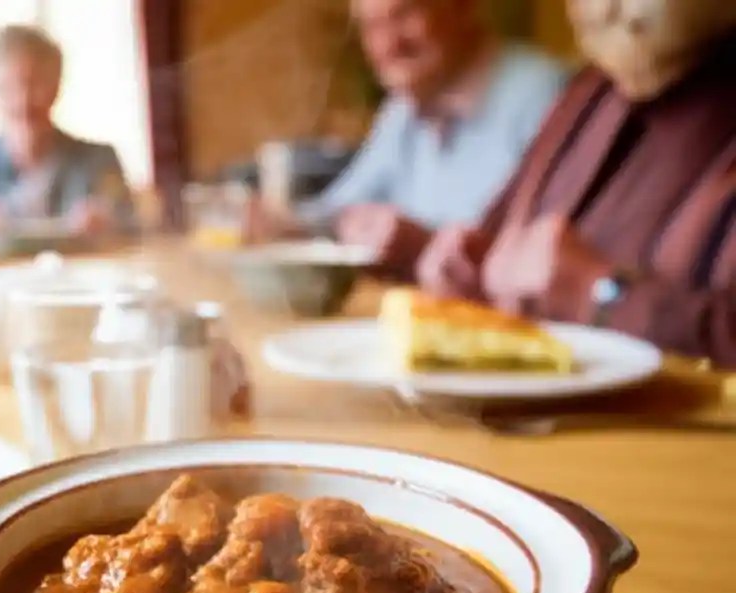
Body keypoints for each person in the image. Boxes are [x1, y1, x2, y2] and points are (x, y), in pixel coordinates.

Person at [390, 0, 735, 365]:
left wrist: (599, 292)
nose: (601, 10)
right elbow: (497, 240)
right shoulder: (591, 89)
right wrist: (469, 265)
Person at [256, 0, 568, 259]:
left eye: (404, 14)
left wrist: (426, 249)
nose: (387, 44)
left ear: (463, 7)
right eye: (371, 26)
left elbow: (549, 261)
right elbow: (339, 212)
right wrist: (277, 222)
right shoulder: (406, 107)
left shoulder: (546, 98)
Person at [0, 25, 132, 236]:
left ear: (57, 83)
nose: (23, 99)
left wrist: (107, 223)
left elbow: (132, 226)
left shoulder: (98, 158)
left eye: (35, 83)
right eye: (7, 87)